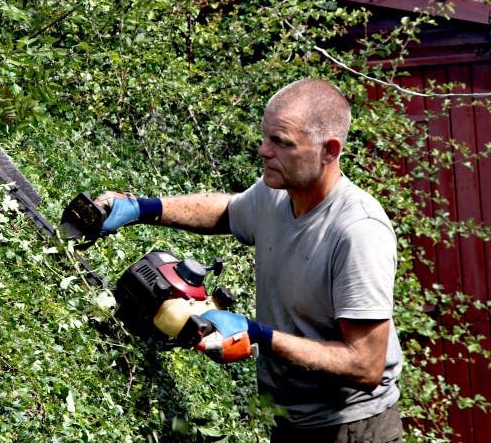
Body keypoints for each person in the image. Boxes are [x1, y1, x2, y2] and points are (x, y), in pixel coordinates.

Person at [95, 78, 404, 443]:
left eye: (281, 142)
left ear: (329, 151)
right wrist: (142, 208)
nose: (263, 150)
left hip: (352, 430)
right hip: (287, 420)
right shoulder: (278, 194)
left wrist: (258, 335)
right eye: (265, 137)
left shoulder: (357, 232)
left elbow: (365, 365)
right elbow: (228, 211)